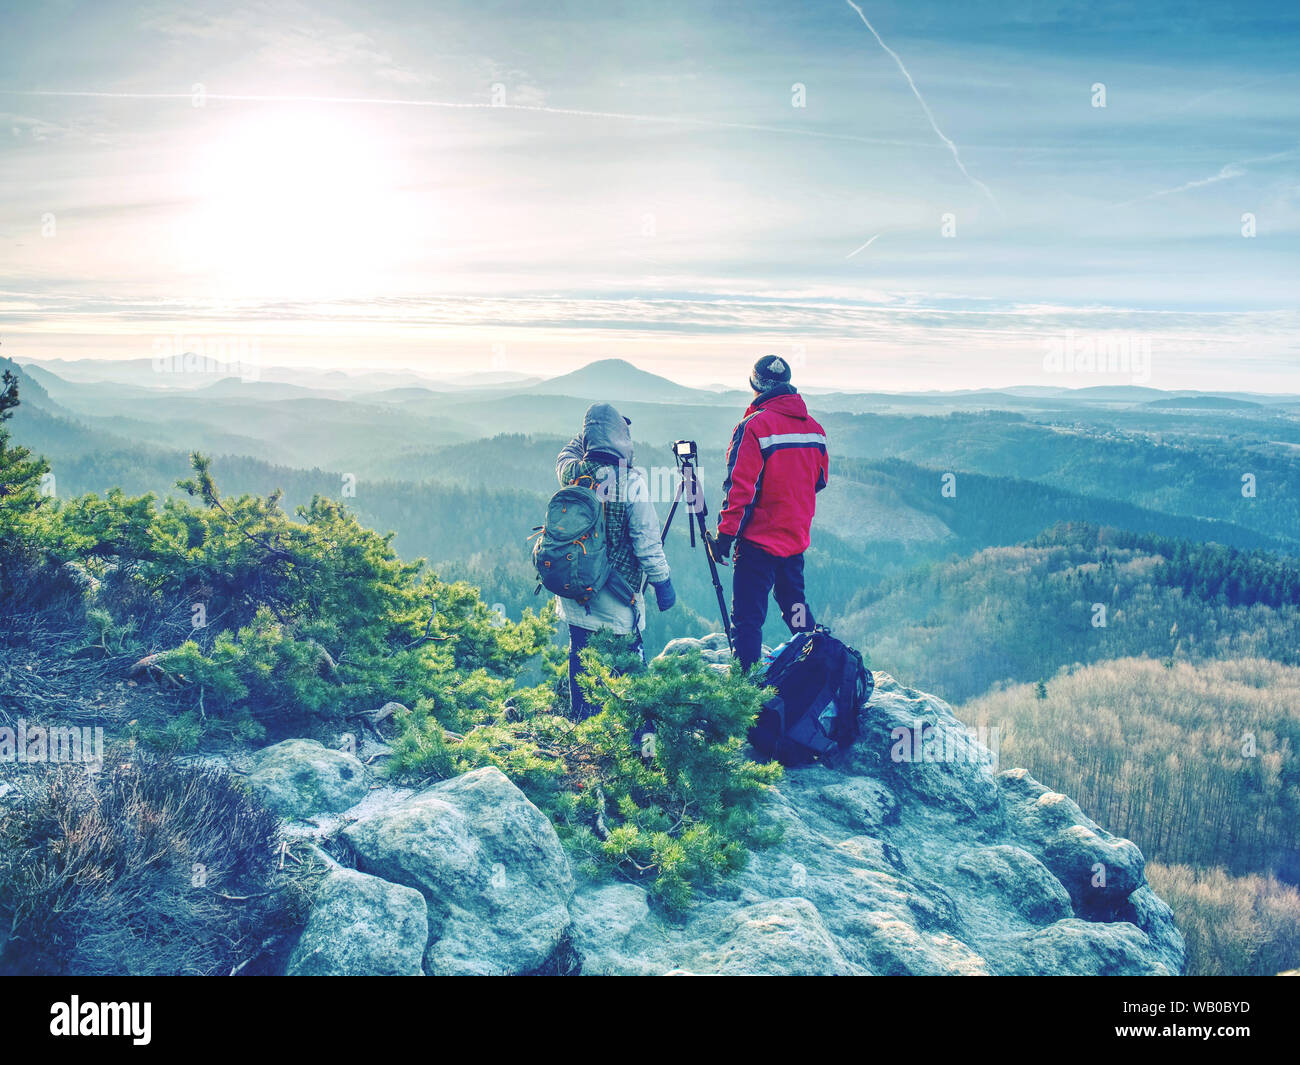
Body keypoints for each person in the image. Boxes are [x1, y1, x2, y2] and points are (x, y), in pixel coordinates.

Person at [555, 402, 676, 718]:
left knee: (581, 660)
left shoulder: (573, 473)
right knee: (630, 672)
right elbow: (647, 543)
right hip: (616, 598)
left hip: (576, 592)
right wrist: (663, 583)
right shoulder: (629, 482)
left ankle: (585, 730)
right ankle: (641, 738)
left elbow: (564, 456)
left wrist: (587, 433)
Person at [711, 355, 829, 672]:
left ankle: (744, 693)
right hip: (794, 540)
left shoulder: (753, 428)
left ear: (755, 386)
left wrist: (725, 537)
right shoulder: (815, 431)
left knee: (748, 619)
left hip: (758, 544)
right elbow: (819, 481)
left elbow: (740, 489)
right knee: (795, 606)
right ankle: (818, 662)